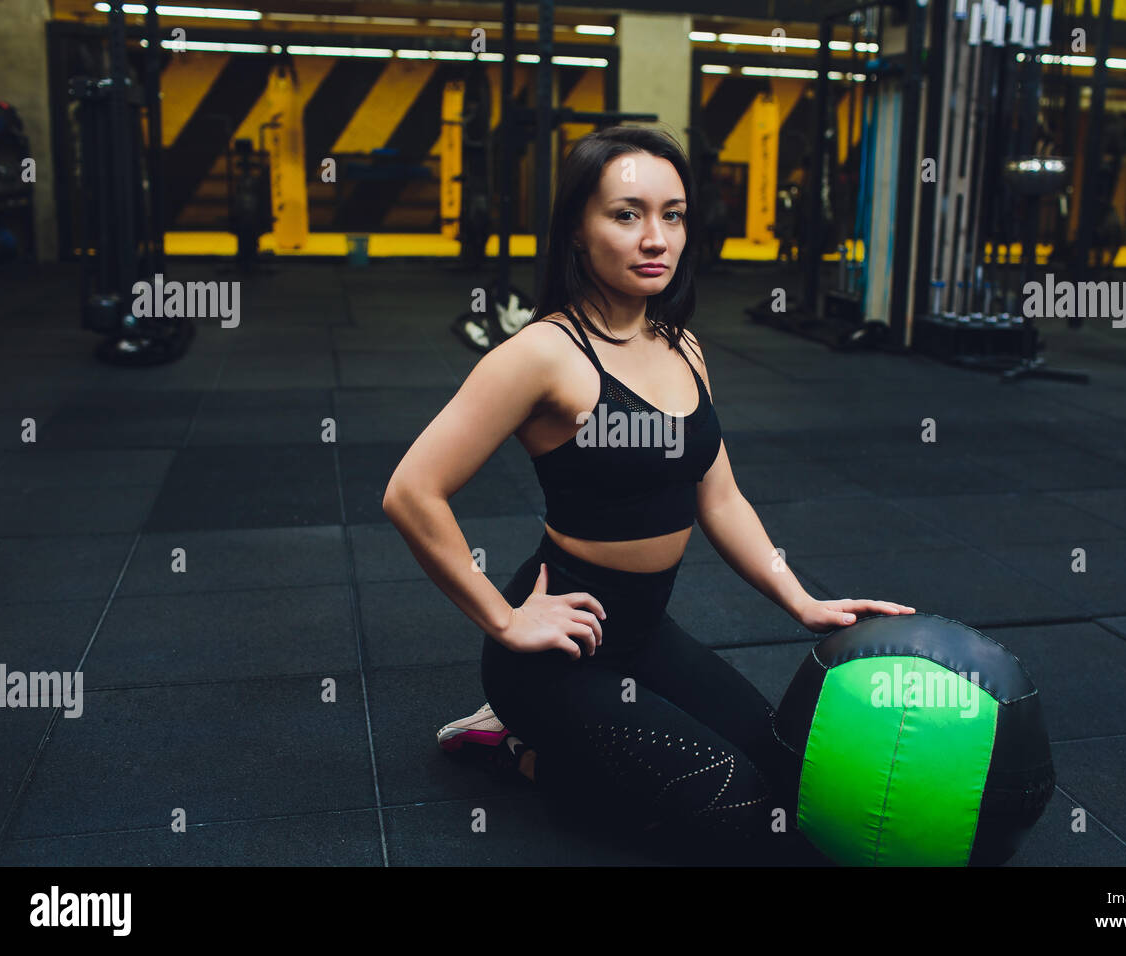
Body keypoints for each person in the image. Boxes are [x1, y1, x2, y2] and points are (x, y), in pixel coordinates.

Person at [383, 125, 915, 863]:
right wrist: (504, 621)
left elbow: (720, 497)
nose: (655, 237)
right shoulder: (543, 354)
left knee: (789, 766)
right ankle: (522, 744)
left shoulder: (682, 343)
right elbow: (412, 491)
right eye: (627, 214)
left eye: (673, 214)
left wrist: (801, 601)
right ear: (578, 226)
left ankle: (546, 747)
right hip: (558, 648)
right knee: (737, 801)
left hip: (641, 633)